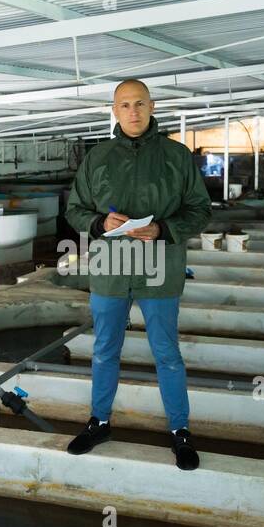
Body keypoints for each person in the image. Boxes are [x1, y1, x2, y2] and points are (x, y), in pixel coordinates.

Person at [63, 79, 212, 470]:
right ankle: (99, 422)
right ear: (114, 110)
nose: (132, 111)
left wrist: (162, 229)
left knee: (167, 354)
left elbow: (200, 209)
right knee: (104, 350)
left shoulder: (177, 156)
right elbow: (74, 209)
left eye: (139, 103)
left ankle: (180, 431)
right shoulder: (97, 158)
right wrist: (98, 222)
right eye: (124, 104)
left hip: (158, 269)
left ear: (152, 107)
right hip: (110, 269)